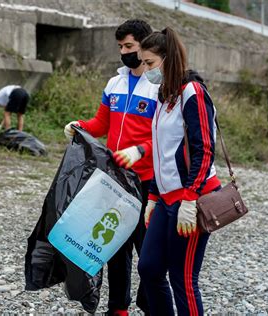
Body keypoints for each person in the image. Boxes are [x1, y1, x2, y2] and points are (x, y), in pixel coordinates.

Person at [64, 19, 157, 316]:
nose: (124, 52)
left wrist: (140, 151)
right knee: (115, 248)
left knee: (148, 256)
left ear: (145, 45)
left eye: (129, 46)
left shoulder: (159, 87)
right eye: (120, 47)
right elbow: (101, 124)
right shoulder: (114, 84)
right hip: (114, 179)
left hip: (147, 181)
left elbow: (166, 137)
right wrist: (81, 127)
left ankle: (151, 301)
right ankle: (118, 309)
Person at [137, 27, 222, 316]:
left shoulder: (192, 93)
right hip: (166, 198)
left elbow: (204, 149)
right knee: (148, 267)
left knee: (183, 279)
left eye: (149, 63)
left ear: (167, 59)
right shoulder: (164, 97)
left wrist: (190, 198)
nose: (145, 70)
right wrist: (152, 195)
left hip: (192, 198)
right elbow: (162, 152)